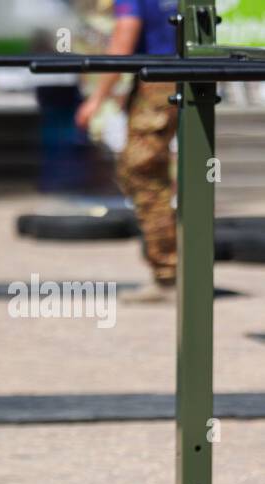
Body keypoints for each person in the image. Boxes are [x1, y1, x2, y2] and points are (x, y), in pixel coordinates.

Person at [75, 0, 180, 303]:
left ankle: (169, 274)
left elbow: (124, 40)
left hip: (159, 81)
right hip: (176, 78)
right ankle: (176, 268)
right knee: (159, 172)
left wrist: (96, 99)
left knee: (142, 172)